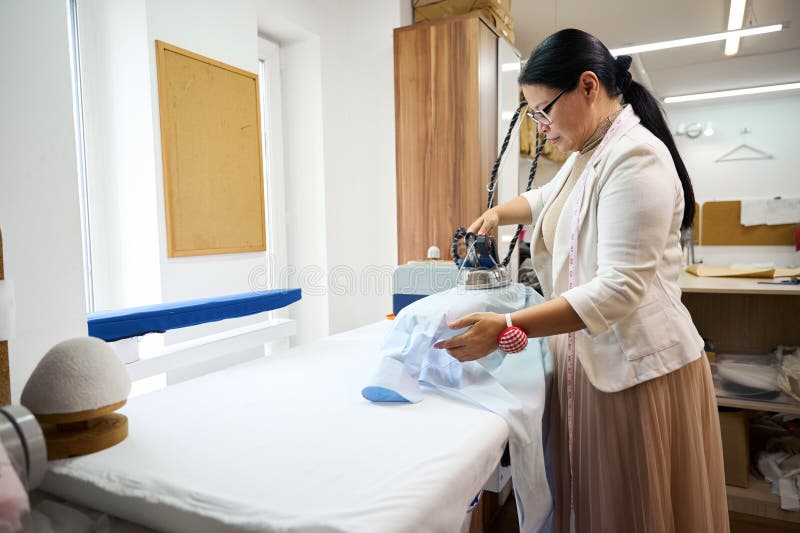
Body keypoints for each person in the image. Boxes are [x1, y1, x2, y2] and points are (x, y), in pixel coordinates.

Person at [434, 29, 729, 532]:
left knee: (629, 510)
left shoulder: (636, 157)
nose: (542, 128)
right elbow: (547, 198)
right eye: (533, 116)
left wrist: (507, 323)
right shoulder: (588, 150)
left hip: (636, 370)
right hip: (591, 358)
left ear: (588, 86)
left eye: (544, 111)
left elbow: (619, 288)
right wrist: (498, 213)